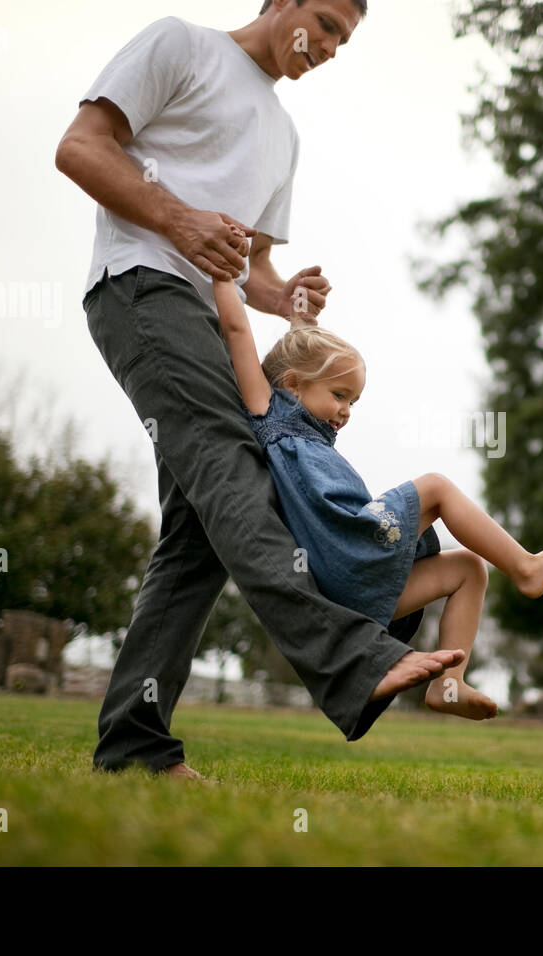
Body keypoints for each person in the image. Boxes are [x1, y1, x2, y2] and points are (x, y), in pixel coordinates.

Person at [55, 0, 463, 781]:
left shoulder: (284, 135)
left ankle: (134, 748)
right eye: (328, 22)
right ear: (280, 3)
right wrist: (178, 222)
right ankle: (350, 661)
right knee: (238, 471)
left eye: (348, 37)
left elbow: (253, 267)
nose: (335, 46)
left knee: (200, 536)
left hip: (210, 316)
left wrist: (286, 299)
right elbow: (80, 149)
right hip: (142, 288)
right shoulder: (181, 45)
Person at [213, 276, 543, 720]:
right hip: (347, 549)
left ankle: (448, 684)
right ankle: (526, 568)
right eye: (340, 395)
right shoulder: (271, 416)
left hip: (354, 580)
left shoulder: (310, 431)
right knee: (437, 487)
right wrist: (223, 277)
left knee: (469, 567)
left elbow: (300, 355)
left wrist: (300, 323)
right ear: (292, 386)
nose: (347, 411)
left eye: (353, 401)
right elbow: (237, 333)